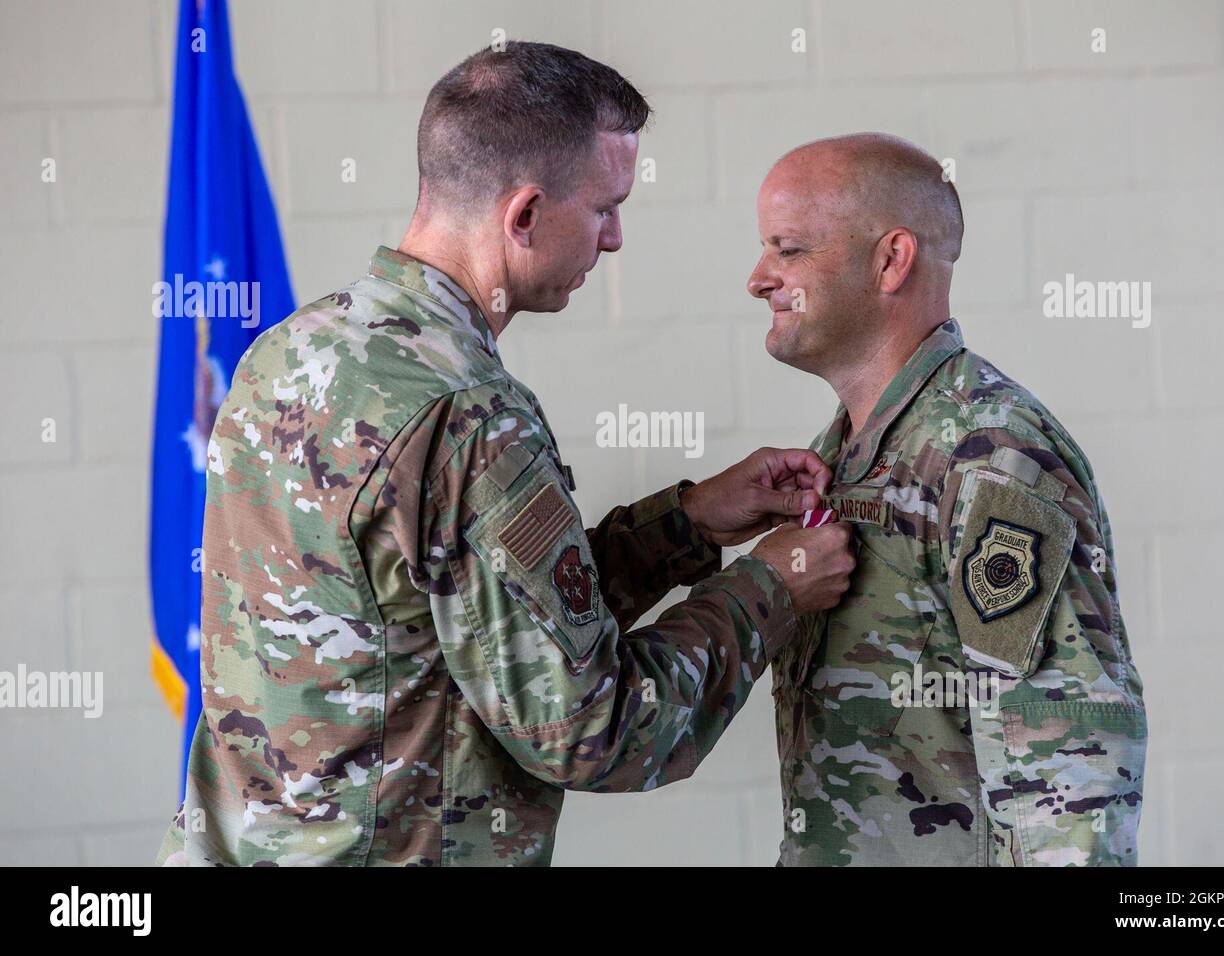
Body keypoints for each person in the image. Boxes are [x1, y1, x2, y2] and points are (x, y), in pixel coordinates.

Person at [155, 42, 854, 866]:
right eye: (605, 208)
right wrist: (772, 587)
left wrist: (690, 522)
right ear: (523, 215)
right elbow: (593, 729)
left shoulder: (288, 352)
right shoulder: (470, 416)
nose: (616, 239)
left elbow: (467, 620)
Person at [747, 132, 1147, 866]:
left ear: (891, 259)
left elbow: (1065, 761)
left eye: (789, 249)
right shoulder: (844, 454)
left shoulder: (990, 454)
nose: (759, 278)